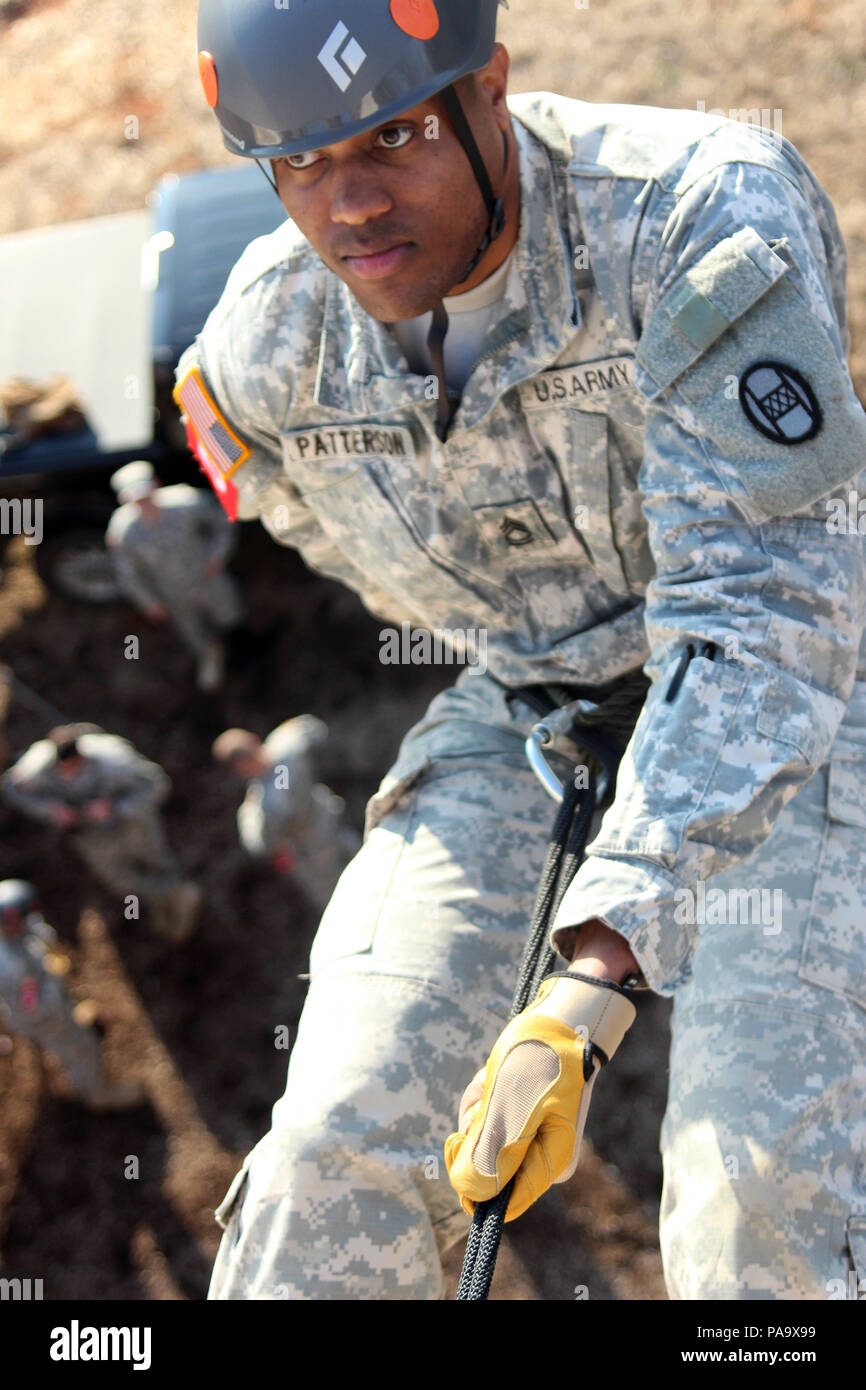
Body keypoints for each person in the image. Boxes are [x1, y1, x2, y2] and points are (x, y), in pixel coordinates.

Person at [174, 0, 866, 1300]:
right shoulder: (263, 354)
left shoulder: (689, 218)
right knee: (328, 1164)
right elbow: (281, 502)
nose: (352, 205)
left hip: (804, 683)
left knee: (758, 1205)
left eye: (395, 135)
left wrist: (592, 977)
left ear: (489, 86)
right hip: (528, 713)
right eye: (303, 165)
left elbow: (764, 603)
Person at [1, 724, 202, 944]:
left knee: (156, 866)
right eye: (63, 770)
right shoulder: (35, 768)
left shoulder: (114, 760)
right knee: (125, 882)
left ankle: (177, 907)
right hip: (92, 837)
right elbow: (12, 790)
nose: (69, 775)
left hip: (134, 826)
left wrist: (116, 807)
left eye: (74, 768)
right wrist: (51, 809)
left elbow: (158, 784)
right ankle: (166, 900)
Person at [0, 879, 142, 1109]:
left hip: (42, 991)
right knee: (80, 1049)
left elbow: (36, 929)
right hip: (44, 1017)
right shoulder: (11, 967)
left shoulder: (15, 927)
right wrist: (54, 981)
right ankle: (99, 1092)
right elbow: (33, 1005)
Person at [106, 459, 245, 692]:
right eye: (137, 501)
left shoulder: (187, 502)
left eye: (146, 496)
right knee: (194, 633)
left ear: (156, 487)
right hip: (173, 594)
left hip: (208, 579)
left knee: (231, 616)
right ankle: (211, 659)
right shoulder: (123, 532)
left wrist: (218, 556)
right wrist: (149, 603)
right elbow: (128, 574)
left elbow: (224, 520)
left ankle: (243, 653)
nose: (144, 504)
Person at [212, 716, 360, 912]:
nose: (252, 761)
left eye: (249, 753)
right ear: (239, 771)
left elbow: (314, 728)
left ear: (254, 740)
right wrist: (268, 822)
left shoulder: (287, 747)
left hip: (334, 826)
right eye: (243, 762)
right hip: (314, 860)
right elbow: (258, 845)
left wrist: (297, 734)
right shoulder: (259, 804)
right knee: (345, 906)